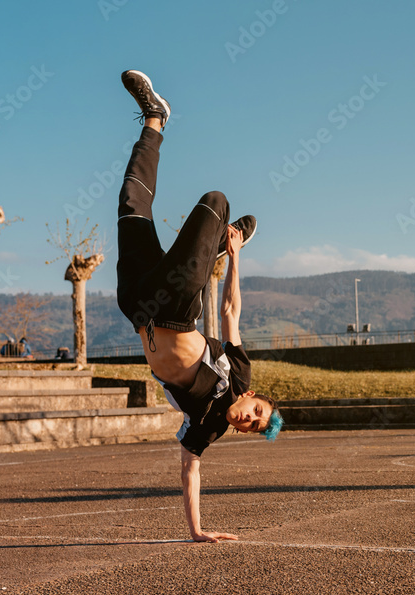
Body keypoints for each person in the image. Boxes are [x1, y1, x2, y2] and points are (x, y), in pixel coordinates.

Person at [115, 70, 283, 543]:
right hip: (175, 308)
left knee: (132, 201)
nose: (248, 421)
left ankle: (154, 119)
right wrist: (235, 260)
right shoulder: (241, 375)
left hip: (137, 306)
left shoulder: (206, 427)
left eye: (253, 428)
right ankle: (228, 241)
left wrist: (198, 532)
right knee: (217, 200)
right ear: (253, 398)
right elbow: (230, 314)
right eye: (257, 414)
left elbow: (190, 470)